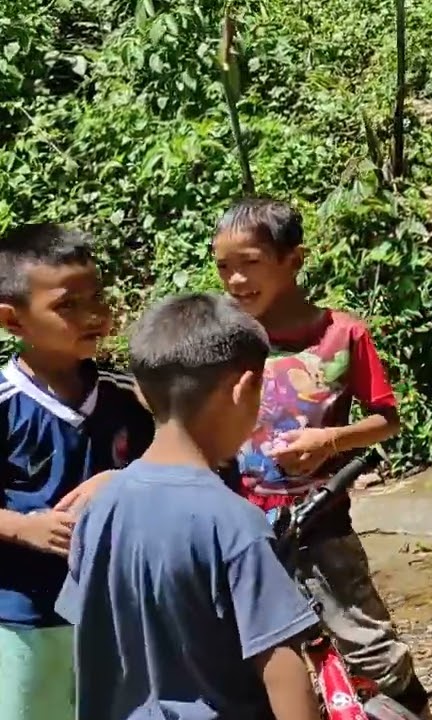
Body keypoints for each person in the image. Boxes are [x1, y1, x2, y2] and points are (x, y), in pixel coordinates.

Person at [211, 199, 432, 717]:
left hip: (322, 523)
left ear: (294, 259)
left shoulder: (342, 336)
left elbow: (387, 419)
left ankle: (410, 708)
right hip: (240, 527)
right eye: (224, 267)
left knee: (365, 638)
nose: (236, 281)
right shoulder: (223, 339)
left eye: (249, 263)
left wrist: (327, 441)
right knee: (259, 646)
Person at [56, 293, 320, 720]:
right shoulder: (235, 523)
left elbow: (86, 629)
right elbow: (283, 671)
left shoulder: (99, 507)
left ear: (141, 393)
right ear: (245, 389)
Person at [0, 224, 153, 720]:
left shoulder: (128, 396)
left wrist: (125, 481)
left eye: (98, 298)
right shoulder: (6, 404)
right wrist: (24, 527)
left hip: (115, 609)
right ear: (12, 320)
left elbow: (177, 466)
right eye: (68, 305)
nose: (94, 315)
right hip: (24, 616)